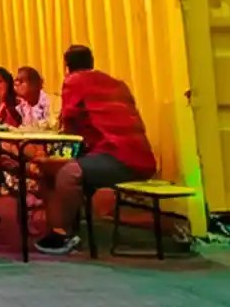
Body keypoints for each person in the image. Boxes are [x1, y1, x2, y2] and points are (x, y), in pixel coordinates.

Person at [36, 46, 158, 256]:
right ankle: (65, 228)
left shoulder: (74, 81)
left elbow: (69, 121)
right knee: (50, 169)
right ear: (91, 61)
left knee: (67, 172)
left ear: (67, 66)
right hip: (141, 157)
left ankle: (62, 234)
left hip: (118, 156)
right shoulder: (118, 84)